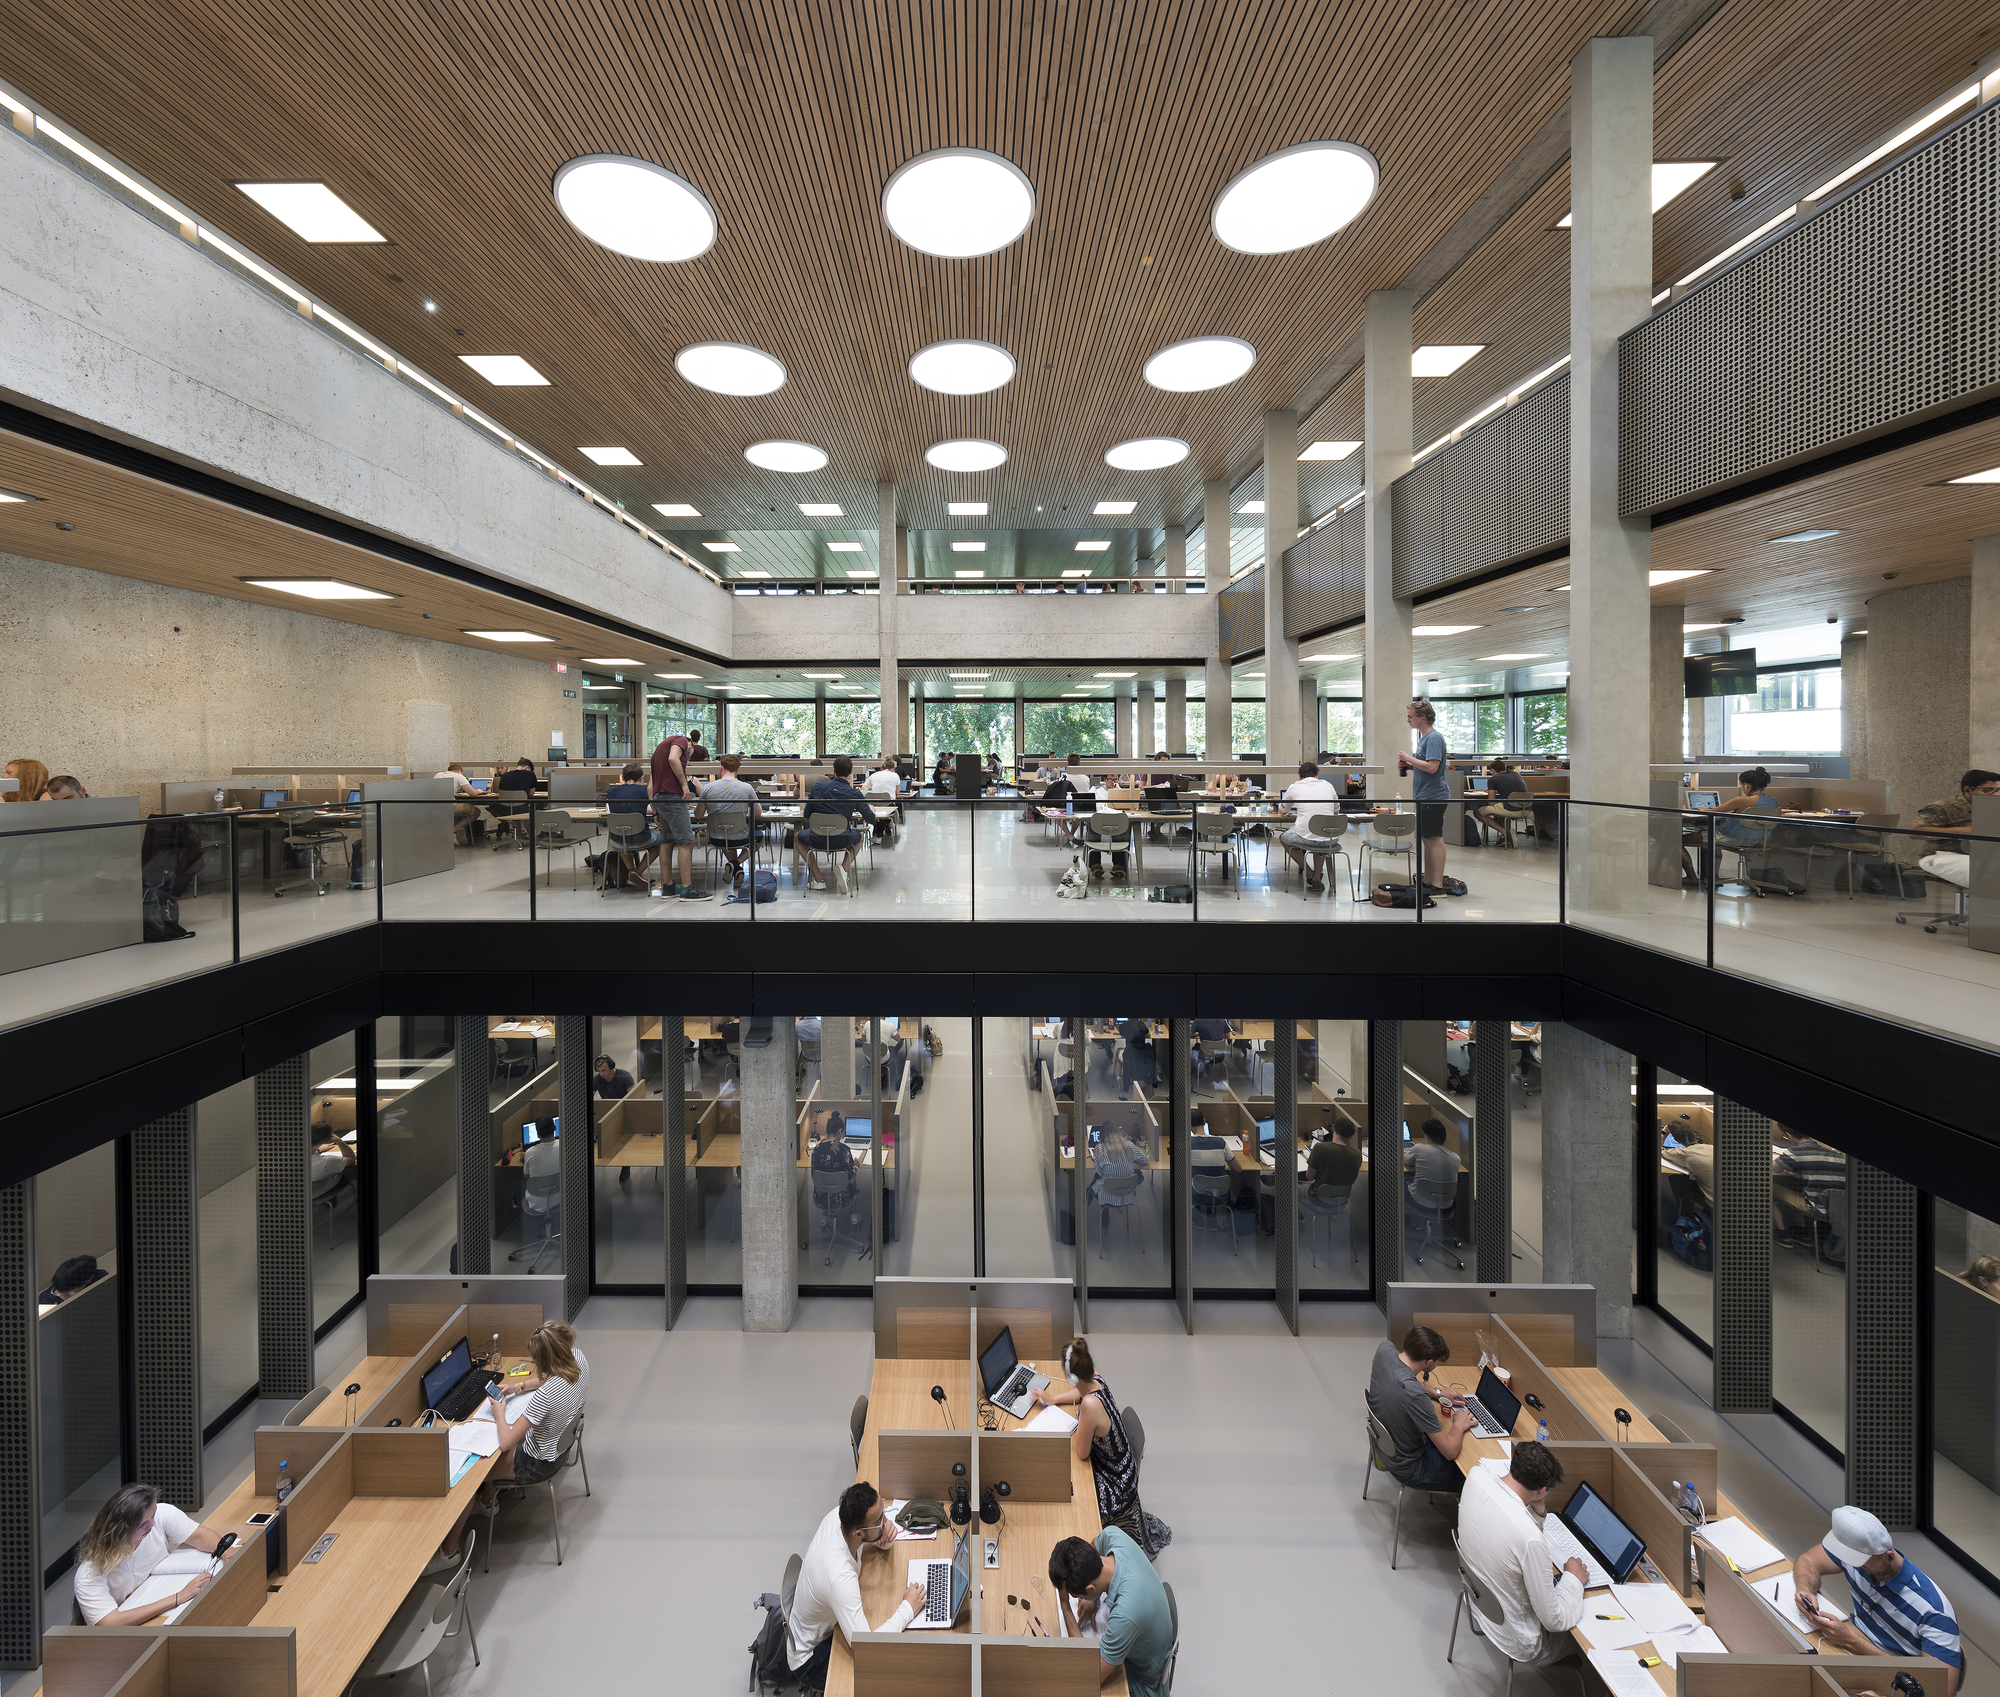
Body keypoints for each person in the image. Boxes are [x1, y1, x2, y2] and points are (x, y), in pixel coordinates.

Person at [439, 1320, 589, 1563]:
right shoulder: (578, 1358)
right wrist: (518, 1386)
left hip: (536, 1463)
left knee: (468, 1475)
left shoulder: (546, 1396)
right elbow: (550, 1377)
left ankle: (449, 1552)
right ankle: (487, 1501)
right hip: (558, 1445)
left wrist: (499, 1412)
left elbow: (507, 1442)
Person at [1793, 1506, 1962, 1693]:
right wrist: (1804, 1588)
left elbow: (1938, 1691)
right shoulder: (1857, 1554)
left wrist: (1853, 1640)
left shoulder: (1935, 1612)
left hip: (1891, 1682)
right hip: (1849, 1652)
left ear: (1889, 1556)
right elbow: (1808, 1561)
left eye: (1861, 1561)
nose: (1855, 1565)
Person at [1457, 1441, 1588, 1667]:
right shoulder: (1530, 1539)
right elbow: (1554, 1620)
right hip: (1519, 1642)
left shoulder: (1476, 1476)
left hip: (1479, 1605)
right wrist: (1573, 1580)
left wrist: (1536, 1515)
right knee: (1586, 1636)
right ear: (1543, 1490)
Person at [787, 1482, 926, 1689]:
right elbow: (867, 1647)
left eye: (884, 1512)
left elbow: (876, 1539)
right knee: (886, 1676)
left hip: (824, 1622)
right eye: (880, 1520)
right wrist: (907, 1608)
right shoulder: (839, 1576)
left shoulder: (842, 1517)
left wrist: (886, 1534)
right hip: (811, 1658)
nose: (886, 1521)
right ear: (859, 1534)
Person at [1029, 1340, 1147, 1545]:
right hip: (1121, 1464)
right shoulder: (1095, 1376)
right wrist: (1053, 1398)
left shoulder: (1091, 1405)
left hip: (1116, 1483)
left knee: (1070, 1488)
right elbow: (1080, 1391)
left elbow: (1082, 1454)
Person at [73, 1483, 235, 1624]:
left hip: (154, 1594)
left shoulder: (159, 1515)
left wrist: (226, 1551)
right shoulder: (89, 1574)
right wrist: (177, 1597)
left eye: (153, 1515)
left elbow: (199, 1536)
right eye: (142, 1524)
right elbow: (111, 1623)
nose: (152, 1524)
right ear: (120, 1531)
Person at [1047, 1529, 1174, 1697]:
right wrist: (1093, 1598)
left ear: (1090, 1588)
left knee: (1068, 1684)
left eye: (1077, 1596)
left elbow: (1091, 1675)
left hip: (1142, 1682)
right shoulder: (1113, 1535)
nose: (1077, 1599)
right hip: (1142, 1649)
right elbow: (1094, 1544)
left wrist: (1065, 1604)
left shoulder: (1126, 1614)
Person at [1367, 1323, 1474, 1493]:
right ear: (1429, 1362)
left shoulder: (1384, 1350)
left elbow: (1404, 1379)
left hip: (1384, 1449)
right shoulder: (1417, 1397)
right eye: (1439, 1362)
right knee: (1471, 1477)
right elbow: (1450, 1452)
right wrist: (1458, 1424)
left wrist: (1438, 1393)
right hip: (1409, 1468)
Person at [1683, 765, 1783, 885]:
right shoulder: (1774, 802)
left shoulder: (1741, 800)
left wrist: (1704, 809)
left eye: (1741, 785)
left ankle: (1692, 878)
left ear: (1746, 785)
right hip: (1756, 841)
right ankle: (1714, 877)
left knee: (1677, 841)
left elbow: (1711, 812)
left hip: (1731, 839)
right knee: (1713, 840)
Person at [1398, 700, 1459, 895]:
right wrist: (1411, 766)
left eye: (1410, 716)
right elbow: (1425, 765)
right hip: (1424, 795)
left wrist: (1409, 758)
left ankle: (1437, 884)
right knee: (1426, 838)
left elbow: (1432, 767)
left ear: (1422, 716)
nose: (1408, 720)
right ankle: (1427, 880)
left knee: (1434, 839)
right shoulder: (1424, 738)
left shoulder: (1433, 738)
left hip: (1433, 795)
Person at [649, 730, 710, 901]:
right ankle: (687, 889)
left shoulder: (658, 751)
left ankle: (668, 887)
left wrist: (655, 810)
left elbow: (650, 787)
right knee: (686, 842)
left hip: (660, 798)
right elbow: (673, 759)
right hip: (672, 797)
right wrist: (684, 785)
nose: (686, 760)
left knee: (667, 841)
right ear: (688, 745)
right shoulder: (682, 740)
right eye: (687, 757)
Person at [802, 757, 877, 894]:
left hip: (817, 838)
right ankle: (843, 869)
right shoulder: (854, 793)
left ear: (833, 770)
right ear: (851, 772)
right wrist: (871, 808)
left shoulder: (818, 787)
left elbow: (806, 815)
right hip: (842, 838)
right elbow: (871, 819)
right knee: (860, 838)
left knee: (797, 837)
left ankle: (818, 878)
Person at [1772, 1126, 1846, 1252]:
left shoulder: (1796, 1152)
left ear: (1789, 1135)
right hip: (1841, 1209)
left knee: (1769, 1188)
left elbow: (1774, 1168)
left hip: (1818, 1207)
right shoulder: (1836, 1154)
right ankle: (1803, 1235)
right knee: (1796, 1188)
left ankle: (1782, 1236)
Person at [1278, 761, 1343, 891]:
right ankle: (1317, 877)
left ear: (1299, 776)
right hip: (1330, 838)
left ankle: (1309, 873)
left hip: (1306, 838)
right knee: (1321, 835)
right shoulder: (1328, 785)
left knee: (1284, 838)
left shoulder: (1295, 787)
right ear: (1317, 774)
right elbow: (1336, 812)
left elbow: (1282, 811)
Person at [700, 753, 762, 886]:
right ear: (737, 771)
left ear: (721, 767)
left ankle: (735, 868)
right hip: (740, 836)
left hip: (716, 837)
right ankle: (736, 864)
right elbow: (758, 813)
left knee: (725, 833)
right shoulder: (747, 788)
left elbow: (699, 815)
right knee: (759, 837)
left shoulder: (708, 788)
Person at [598, 760, 662, 882]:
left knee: (623, 837)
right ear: (641, 778)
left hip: (617, 840)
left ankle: (631, 871)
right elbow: (654, 808)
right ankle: (637, 872)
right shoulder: (645, 791)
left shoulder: (611, 791)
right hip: (641, 838)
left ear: (622, 777)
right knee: (662, 841)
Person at [1404, 1118, 1462, 1247]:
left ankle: (1405, 1220)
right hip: (1446, 1206)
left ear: (1427, 1136)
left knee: (1403, 1180)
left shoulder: (1419, 1149)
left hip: (1420, 1202)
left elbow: (1406, 1161)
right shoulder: (1456, 1158)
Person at [1475, 759, 1532, 846]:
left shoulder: (1493, 779)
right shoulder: (1516, 774)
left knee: (1477, 812)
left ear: (1493, 770)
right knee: (1502, 807)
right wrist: (1497, 790)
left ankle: (1506, 833)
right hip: (1526, 809)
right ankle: (1505, 838)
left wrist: (1491, 791)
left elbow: (1491, 803)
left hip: (1511, 809)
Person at [1306, 1121, 1361, 1200]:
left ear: (1333, 1127)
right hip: (1341, 1199)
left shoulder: (1320, 1148)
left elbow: (1309, 1177)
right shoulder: (1357, 1154)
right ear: (1351, 1137)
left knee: (1295, 1186)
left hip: (1318, 1198)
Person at [39, 1254, 108, 1307]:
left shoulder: (102, 1280)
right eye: (58, 1292)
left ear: (88, 1279)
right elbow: (40, 1304)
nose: (64, 1297)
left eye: (69, 1293)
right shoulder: (59, 1286)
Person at [863, 755, 904, 842]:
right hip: (889, 806)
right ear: (893, 768)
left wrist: (869, 788)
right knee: (886, 808)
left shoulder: (874, 775)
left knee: (877, 809)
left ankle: (879, 834)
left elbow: (863, 787)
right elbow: (897, 793)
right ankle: (885, 827)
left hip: (874, 806)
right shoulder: (895, 775)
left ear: (882, 767)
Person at [435, 763, 479, 839]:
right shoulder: (459, 776)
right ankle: (453, 832)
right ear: (459, 771)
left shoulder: (438, 775)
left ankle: (455, 837)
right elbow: (473, 793)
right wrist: (479, 791)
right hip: (450, 806)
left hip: (435, 806)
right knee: (476, 812)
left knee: (458, 814)